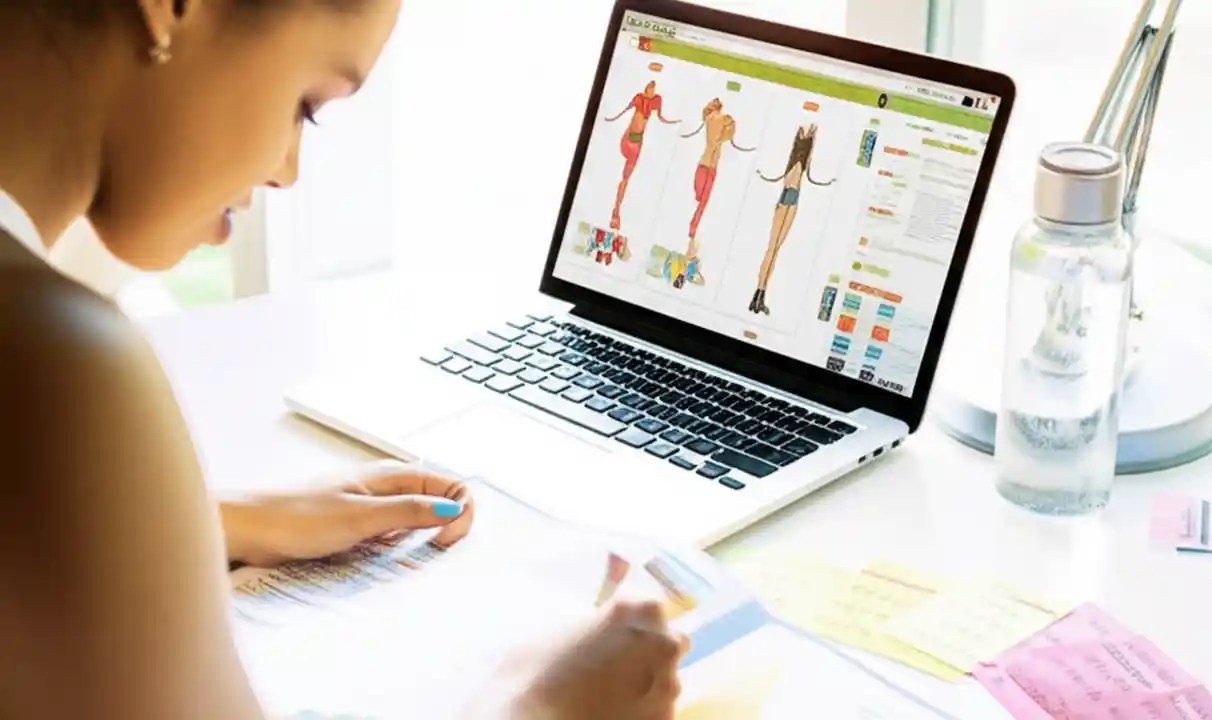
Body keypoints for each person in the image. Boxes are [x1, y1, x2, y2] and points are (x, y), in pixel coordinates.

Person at [0, 2, 687, 719]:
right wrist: (544, 709)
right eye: (309, 105)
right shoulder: (49, 362)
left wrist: (209, 521)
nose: (289, 171)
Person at [750, 124, 836, 315]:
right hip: (788, 202)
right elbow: (804, 161)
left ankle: (758, 296)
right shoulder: (797, 163)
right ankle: (759, 295)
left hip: (788, 200)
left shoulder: (796, 163)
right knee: (773, 250)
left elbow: (804, 163)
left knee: (773, 250)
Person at [674, 97, 754, 288]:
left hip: (702, 166)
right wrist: (730, 124)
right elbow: (728, 135)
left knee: (699, 209)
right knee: (700, 212)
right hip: (710, 168)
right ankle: (688, 264)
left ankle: (687, 263)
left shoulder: (709, 118)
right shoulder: (724, 120)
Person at [602, 80, 680, 232]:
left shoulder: (656, 101)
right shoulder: (639, 98)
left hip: (636, 145)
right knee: (624, 177)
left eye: (652, 87)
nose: (650, 89)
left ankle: (616, 212)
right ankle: (615, 212)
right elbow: (625, 110)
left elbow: (660, 117)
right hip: (628, 140)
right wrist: (611, 118)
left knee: (625, 179)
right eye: (649, 87)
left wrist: (672, 122)